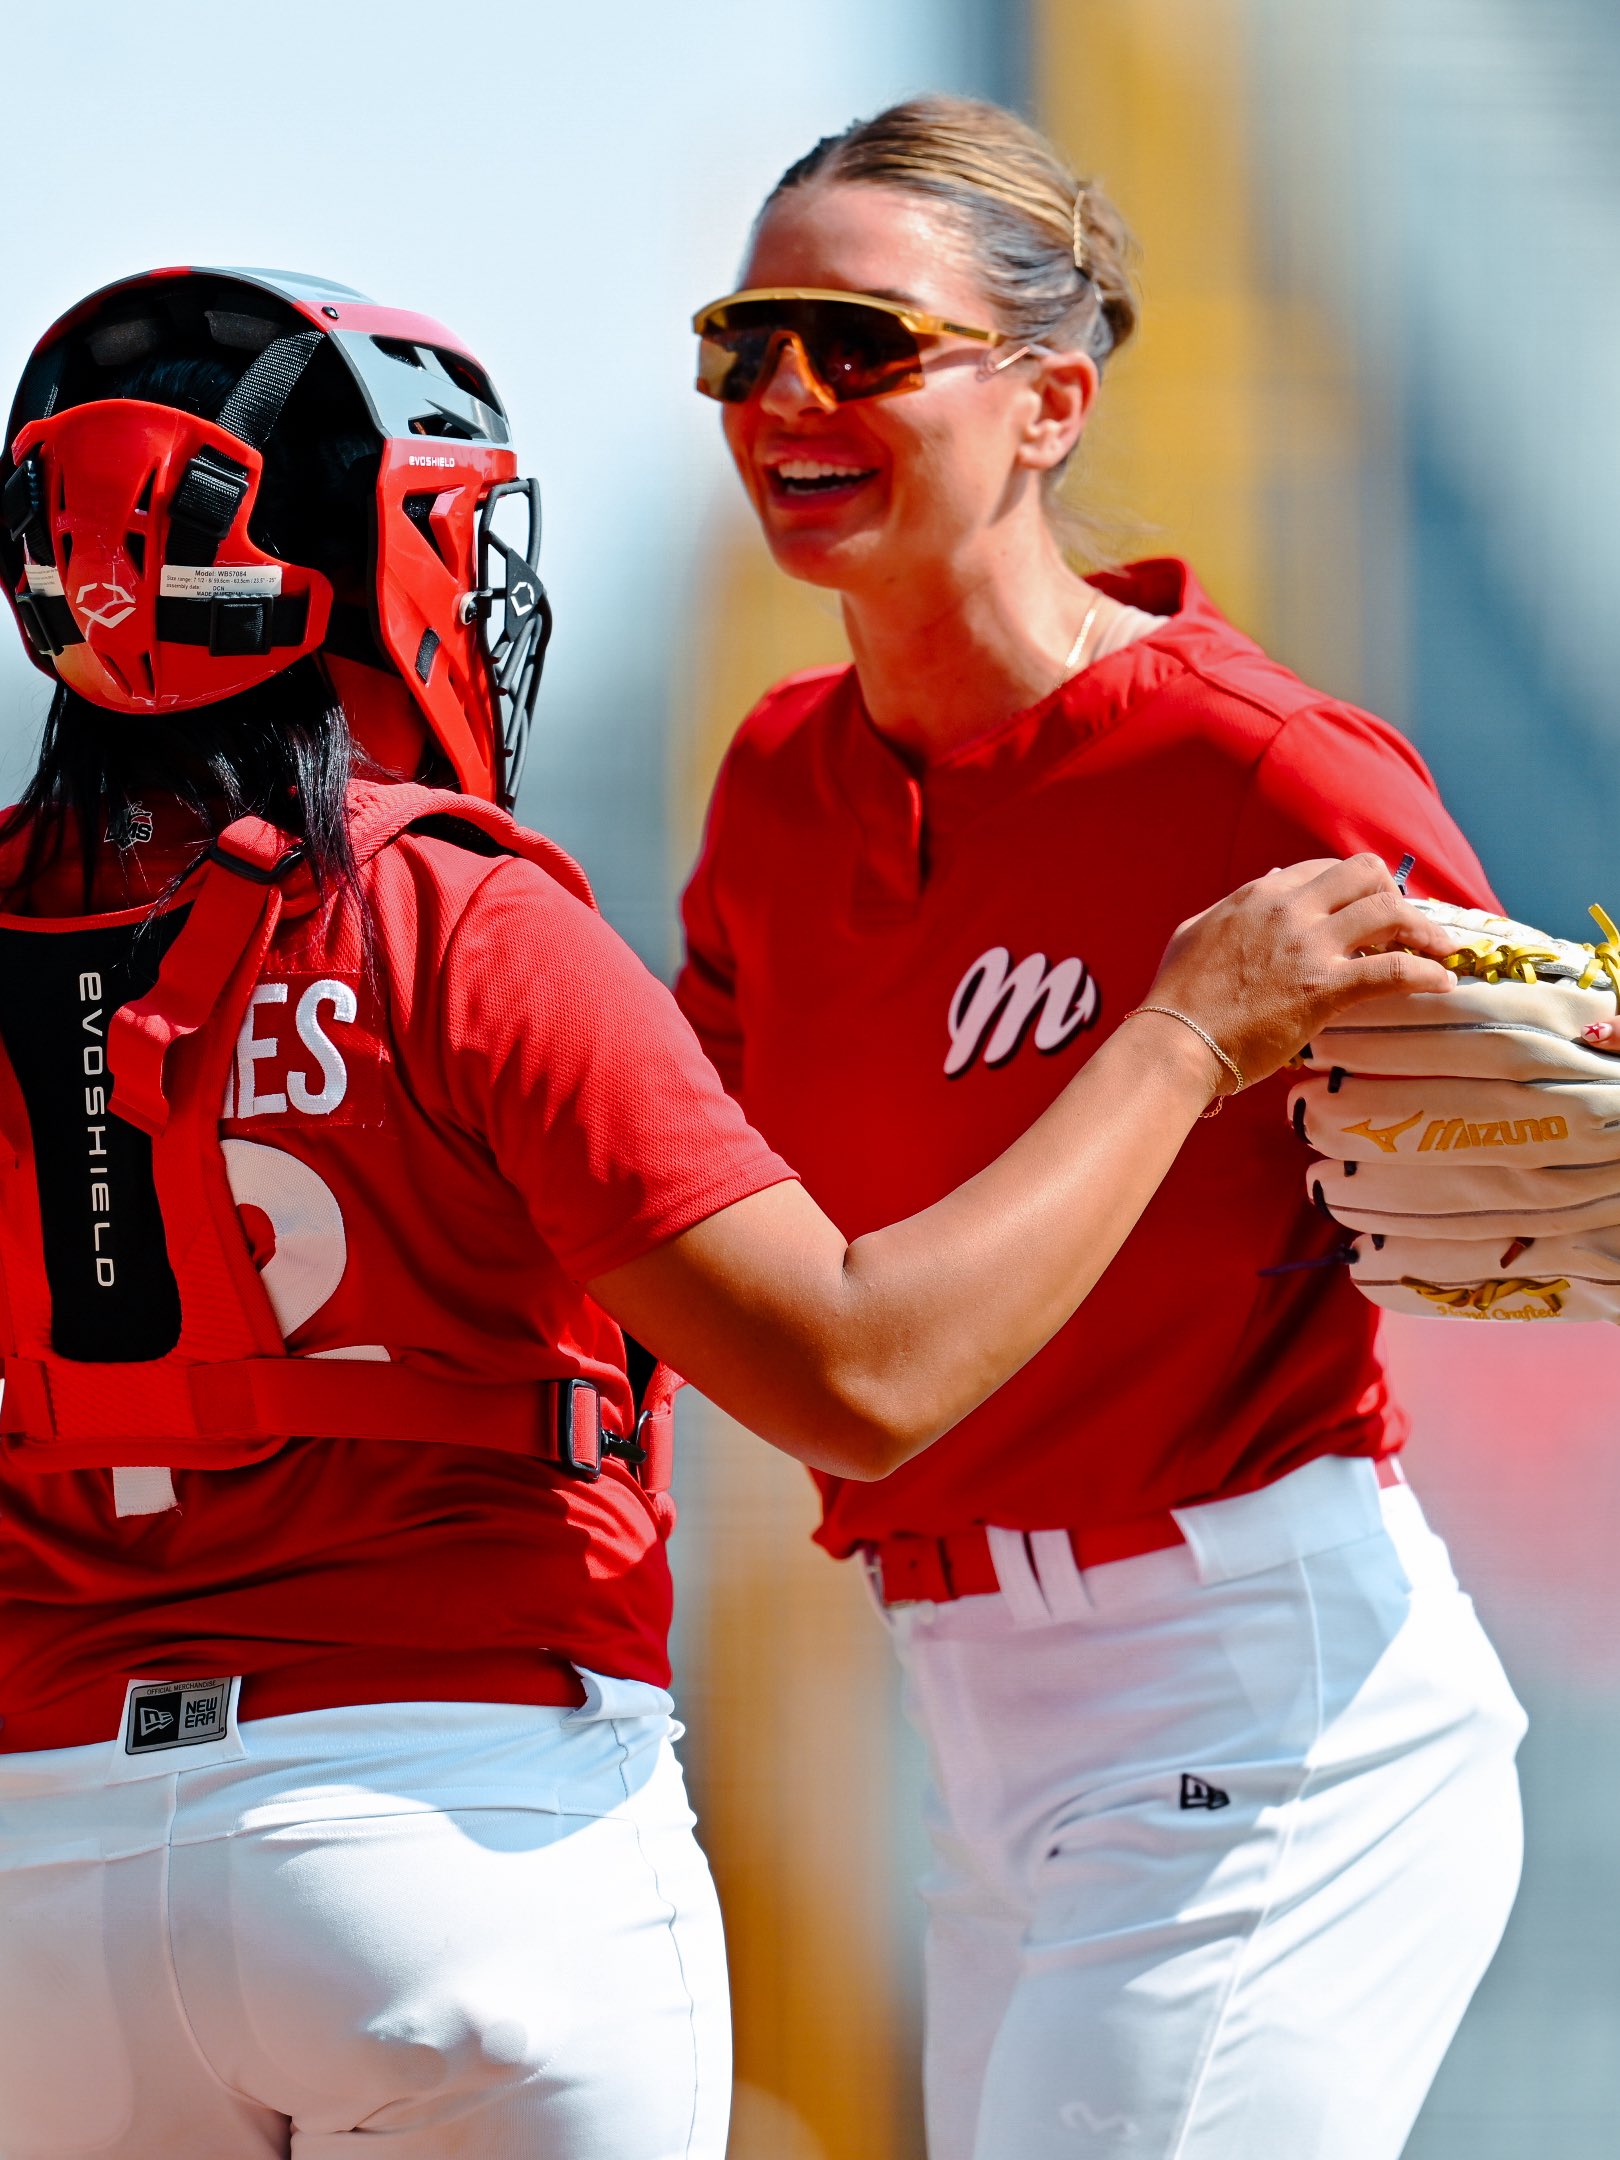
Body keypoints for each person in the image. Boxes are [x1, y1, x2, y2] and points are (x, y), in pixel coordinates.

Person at [0, 267, 1443, 2160]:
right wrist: (1184, 1033)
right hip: (457, 1839)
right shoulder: (463, 920)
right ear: (370, 566)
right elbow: (859, 1373)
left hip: (44, 1885)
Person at [677, 96, 1529, 2160]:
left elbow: (1546, 1139)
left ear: (1051, 400)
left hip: (1261, 1692)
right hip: (970, 1722)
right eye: (746, 341)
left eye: (862, 342)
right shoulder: (778, 785)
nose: (786, 391)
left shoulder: (1261, 773)